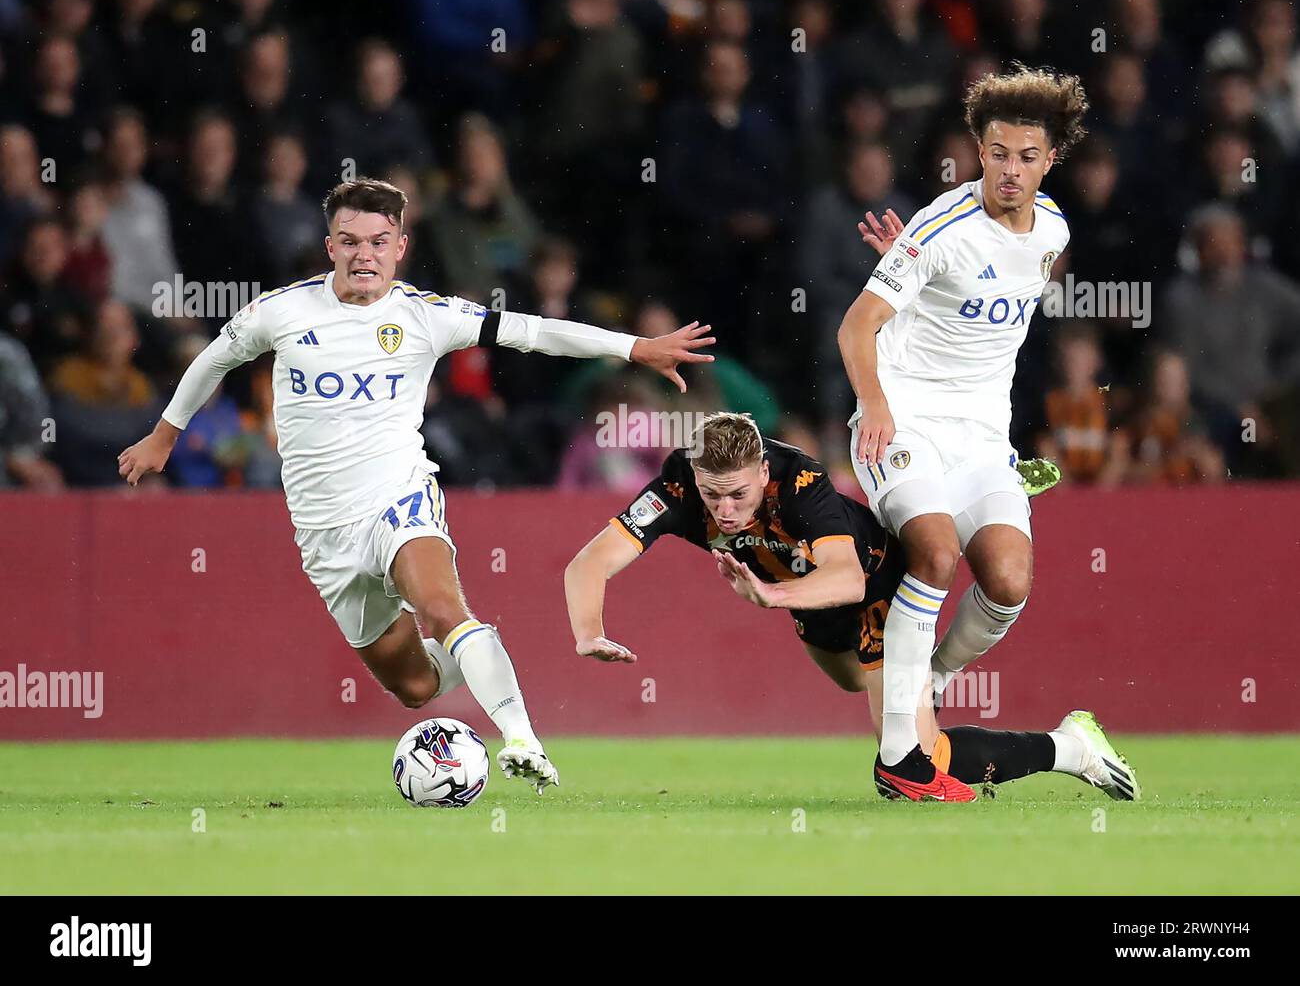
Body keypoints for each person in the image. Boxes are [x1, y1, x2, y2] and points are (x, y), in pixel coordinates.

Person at [116, 178, 714, 794]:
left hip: (398, 500)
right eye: (349, 241)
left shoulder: (426, 316)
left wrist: (634, 346)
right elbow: (215, 358)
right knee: (416, 687)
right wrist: (164, 435)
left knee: (440, 608)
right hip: (323, 533)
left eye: (378, 241)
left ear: (400, 247)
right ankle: (481, 653)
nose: (363, 255)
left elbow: (532, 332)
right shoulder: (282, 311)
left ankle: (521, 739)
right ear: (329, 246)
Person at [563, 412, 1139, 802]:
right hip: (810, 607)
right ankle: (917, 679)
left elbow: (845, 576)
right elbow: (587, 563)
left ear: (763, 471)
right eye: (713, 496)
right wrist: (588, 632)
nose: (726, 510)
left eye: (739, 494)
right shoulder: (678, 489)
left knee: (914, 761)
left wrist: (770, 595)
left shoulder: (800, 481)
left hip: (877, 582)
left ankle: (1071, 748)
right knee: (853, 684)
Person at [838, 63, 1086, 797]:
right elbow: (858, 329)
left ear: (1052, 159)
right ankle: (899, 755)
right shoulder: (940, 225)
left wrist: (913, 284)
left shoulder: (1053, 234)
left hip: (981, 439)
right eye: (999, 153)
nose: (1011, 170)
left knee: (1008, 581)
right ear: (979, 148)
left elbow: (970, 318)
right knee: (937, 554)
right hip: (902, 417)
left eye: (1028, 156)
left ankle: (924, 682)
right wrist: (876, 404)